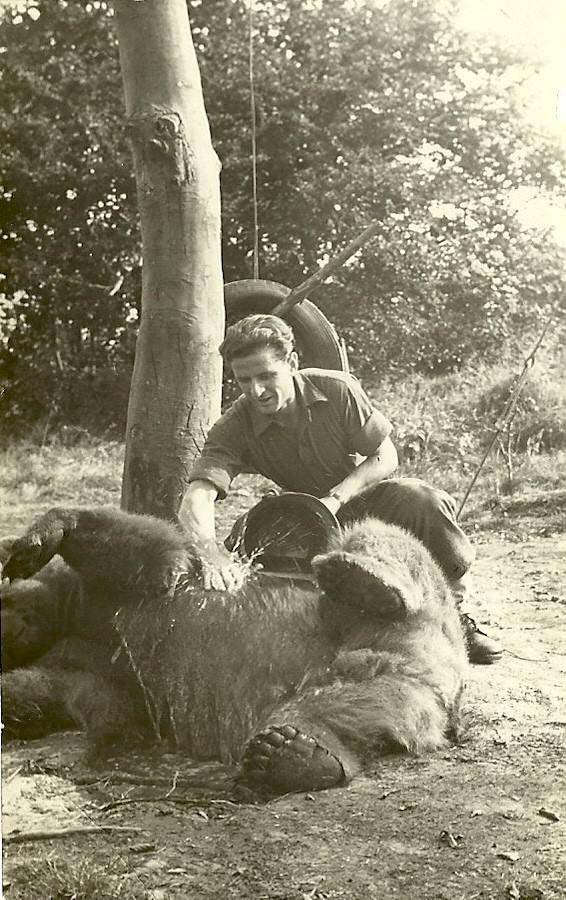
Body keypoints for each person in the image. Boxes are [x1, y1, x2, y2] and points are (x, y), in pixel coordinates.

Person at [180, 314, 502, 664]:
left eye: (267, 375)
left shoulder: (337, 390)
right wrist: (211, 553)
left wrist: (336, 496)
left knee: (420, 498)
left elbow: (385, 454)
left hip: (361, 498)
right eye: (245, 380)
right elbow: (198, 495)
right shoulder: (234, 424)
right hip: (304, 519)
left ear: (291, 364)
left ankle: (457, 615)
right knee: (246, 543)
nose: (256, 390)